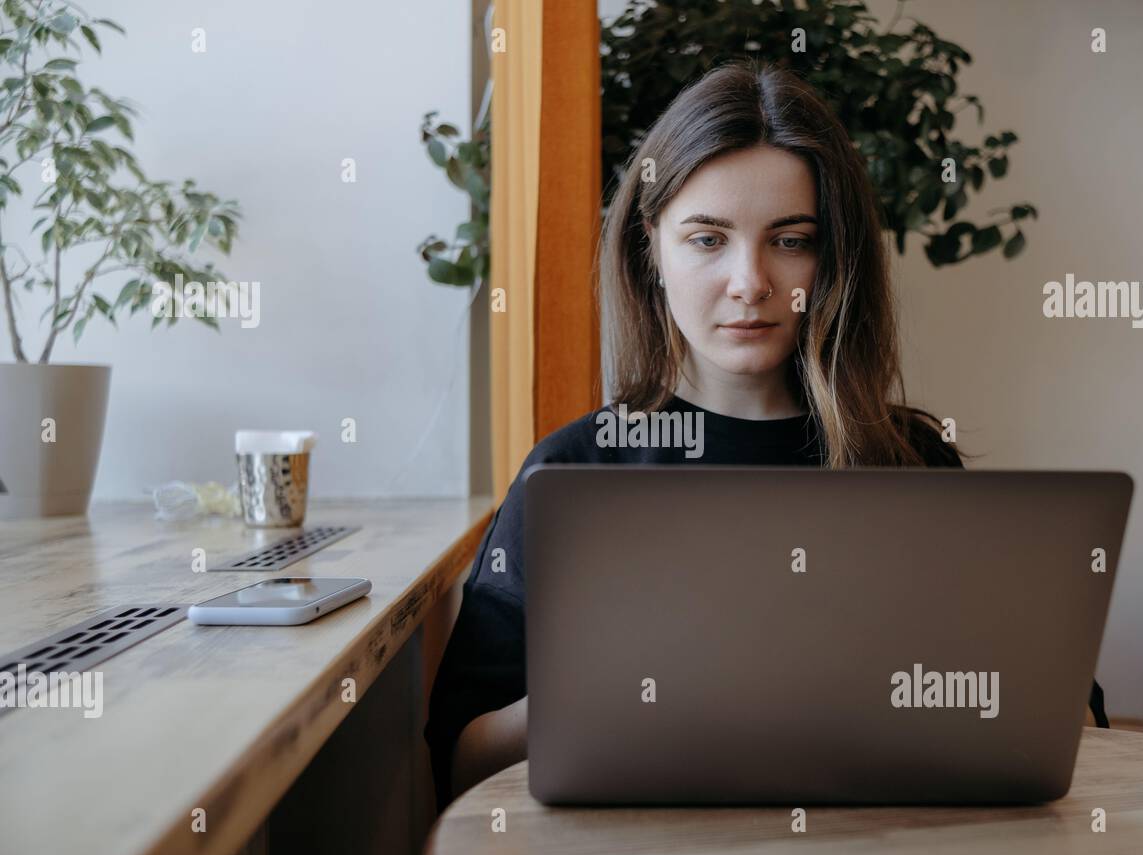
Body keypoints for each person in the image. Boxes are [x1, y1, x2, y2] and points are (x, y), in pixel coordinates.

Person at [425, 60, 1107, 814]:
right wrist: (591, 693)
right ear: (652, 249)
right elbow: (458, 765)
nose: (750, 281)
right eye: (708, 239)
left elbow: (1070, 716)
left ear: (832, 258)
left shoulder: (909, 463)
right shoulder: (573, 472)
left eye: (790, 240)